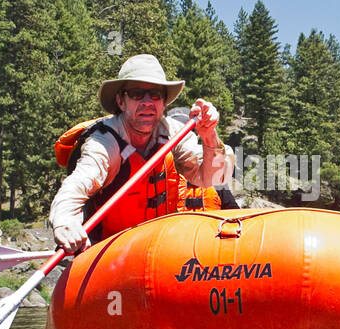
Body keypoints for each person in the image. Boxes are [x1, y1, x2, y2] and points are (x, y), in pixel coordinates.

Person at [51, 54, 229, 253]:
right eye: (137, 93)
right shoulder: (105, 142)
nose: (147, 102)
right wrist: (64, 222)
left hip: (157, 250)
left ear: (163, 102)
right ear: (121, 101)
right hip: (109, 254)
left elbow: (209, 178)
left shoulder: (174, 132)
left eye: (155, 94)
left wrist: (209, 136)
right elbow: (76, 186)